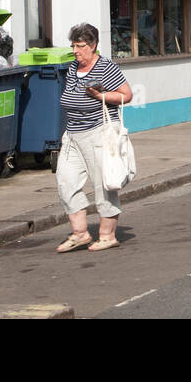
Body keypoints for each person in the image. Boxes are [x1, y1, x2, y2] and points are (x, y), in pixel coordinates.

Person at [55, 23, 133, 253]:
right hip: (72, 135)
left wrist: (100, 95)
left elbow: (126, 95)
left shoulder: (106, 67)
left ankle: (107, 235)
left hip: (98, 133)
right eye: (73, 46)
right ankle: (80, 234)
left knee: (104, 185)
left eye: (80, 46)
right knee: (66, 182)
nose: (76, 51)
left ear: (93, 45)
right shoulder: (72, 68)